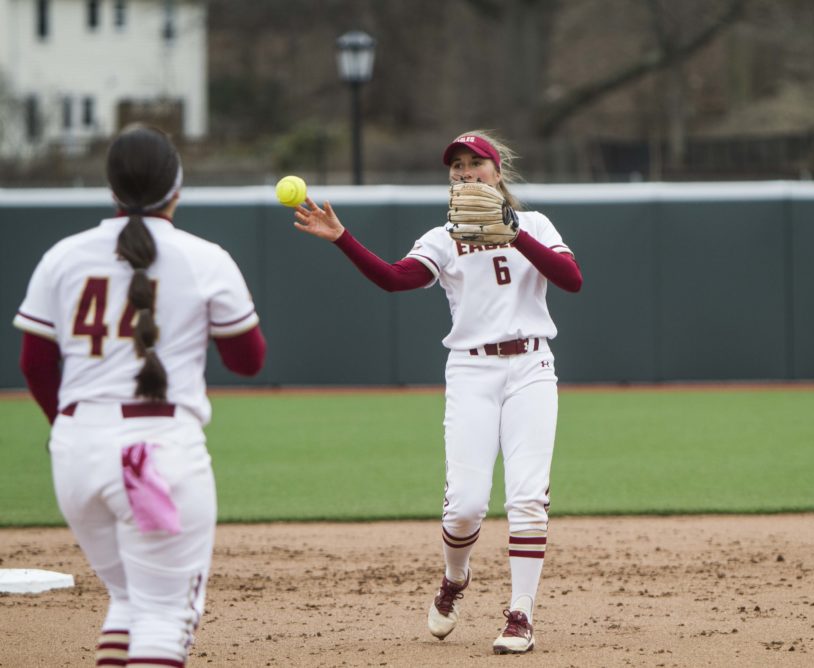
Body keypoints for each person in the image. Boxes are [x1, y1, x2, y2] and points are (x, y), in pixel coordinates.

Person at [293, 129, 582, 654]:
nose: (466, 172)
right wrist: (342, 238)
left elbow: (571, 279)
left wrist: (512, 232)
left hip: (533, 366)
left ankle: (520, 615)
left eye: (476, 163)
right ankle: (455, 578)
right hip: (472, 371)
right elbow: (394, 279)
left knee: (527, 498)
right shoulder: (442, 237)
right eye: (457, 166)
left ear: (498, 172)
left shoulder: (533, 223)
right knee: (465, 509)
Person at [13, 124, 266, 668]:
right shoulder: (204, 257)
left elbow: (35, 365)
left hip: (77, 450)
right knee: (164, 616)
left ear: (112, 189)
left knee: (130, 602)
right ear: (177, 186)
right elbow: (248, 360)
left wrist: (71, 430)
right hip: (157, 449)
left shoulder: (63, 255)